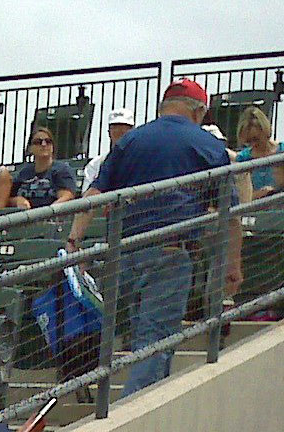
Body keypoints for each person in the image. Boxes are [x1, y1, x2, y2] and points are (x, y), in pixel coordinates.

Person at [67, 78, 242, 396]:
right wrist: (233, 264)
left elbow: (93, 194)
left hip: (125, 253)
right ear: (199, 110)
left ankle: (140, 407)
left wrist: (73, 243)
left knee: (144, 341)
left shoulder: (130, 140)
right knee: (155, 343)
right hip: (169, 252)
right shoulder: (207, 144)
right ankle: (125, 419)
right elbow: (230, 214)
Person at [8, 126, 77, 209]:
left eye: (48, 141)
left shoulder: (61, 170)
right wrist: (18, 200)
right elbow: (9, 198)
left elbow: (66, 196)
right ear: (30, 148)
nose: (44, 145)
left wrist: (49, 211)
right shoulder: (25, 172)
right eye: (38, 142)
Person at [81, 108, 136, 194]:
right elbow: (86, 195)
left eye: (124, 128)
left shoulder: (140, 159)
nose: (120, 131)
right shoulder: (95, 163)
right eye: (115, 128)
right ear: (109, 132)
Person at [235, 105, 284, 200]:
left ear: (265, 131)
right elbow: (241, 199)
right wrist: (261, 194)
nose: (253, 145)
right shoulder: (243, 159)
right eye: (248, 142)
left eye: (256, 139)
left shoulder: (282, 152)